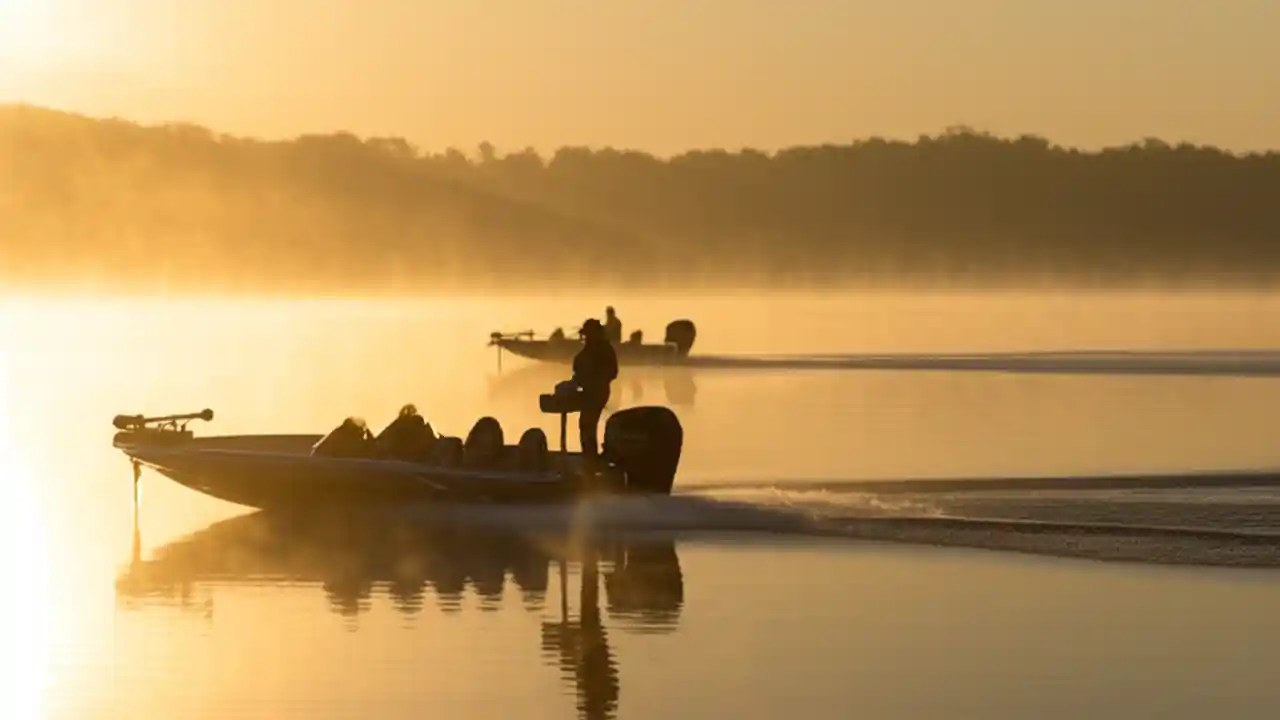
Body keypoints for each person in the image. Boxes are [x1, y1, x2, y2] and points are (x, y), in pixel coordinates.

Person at [572, 318, 618, 458]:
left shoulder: (604, 349)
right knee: (586, 425)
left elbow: (612, 372)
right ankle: (589, 455)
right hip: (590, 391)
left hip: (598, 392)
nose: (586, 337)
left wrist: (596, 381)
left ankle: (590, 457)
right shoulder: (590, 348)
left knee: (587, 424)